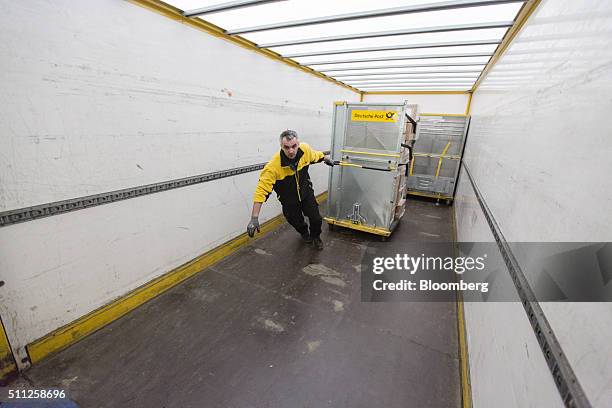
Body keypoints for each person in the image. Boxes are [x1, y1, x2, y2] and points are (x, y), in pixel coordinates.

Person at [247, 129, 334, 249]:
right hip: (289, 200)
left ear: (298, 143)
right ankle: (304, 232)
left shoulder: (305, 150)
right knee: (295, 221)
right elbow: (261, 191)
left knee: (316, 218)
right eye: (286, 147)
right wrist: (254, 217)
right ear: (281, 146)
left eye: (294, 146)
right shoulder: (273, 167)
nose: (291, 151)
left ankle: (315, 236)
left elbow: (315, 155)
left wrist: (325, 159)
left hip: (305, 193)